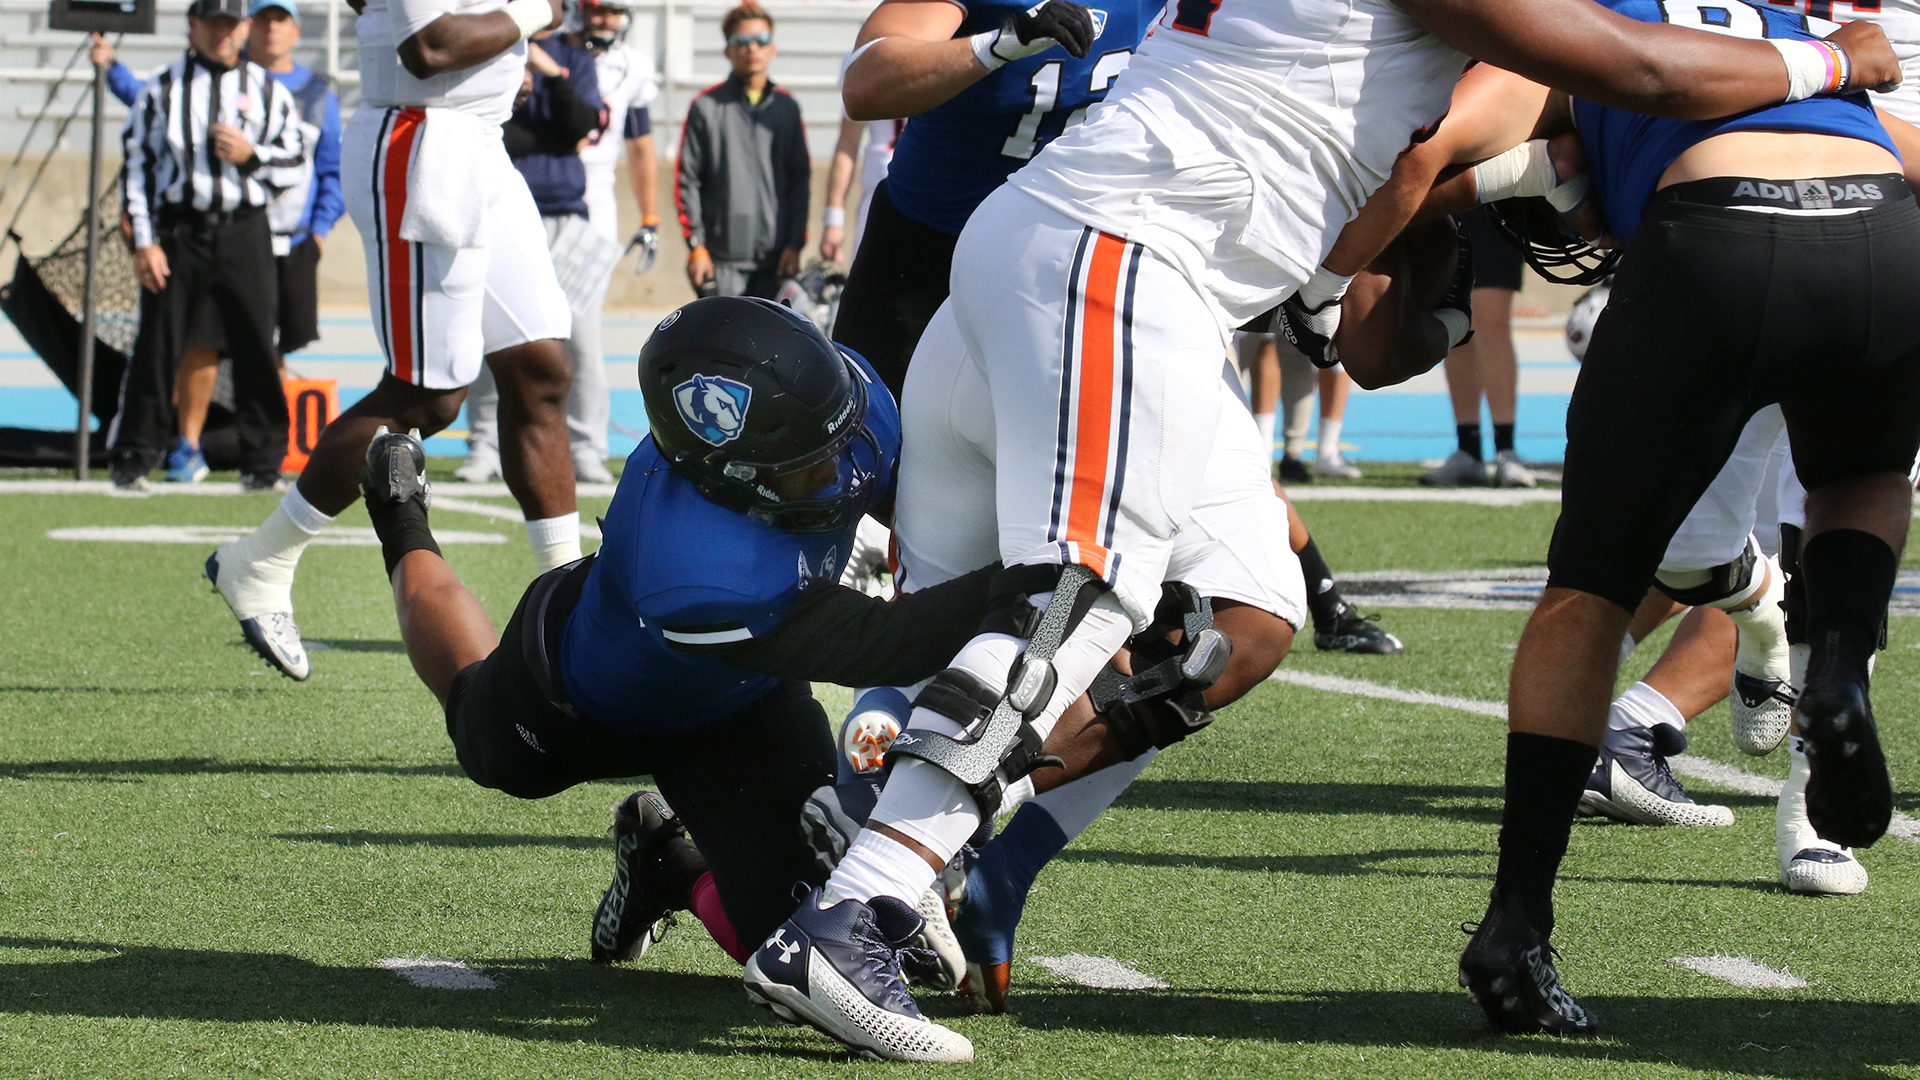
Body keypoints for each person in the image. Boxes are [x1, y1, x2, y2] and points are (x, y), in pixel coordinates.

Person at [737, 0, 1901, 1058]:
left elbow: (1374, 312)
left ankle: (886, 852)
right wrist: (1827, 55)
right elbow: (1632, 64)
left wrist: (1422, 250)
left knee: (1242, 607)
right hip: (1123, 251)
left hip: (1098, 254)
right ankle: (859, 910)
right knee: (1079, 593)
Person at [358, 296, 1019, 982]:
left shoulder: (844, 404)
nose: (844, 471)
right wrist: (1054, 573)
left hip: (744, 700)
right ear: (731, 478)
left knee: (799, 938)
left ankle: (666, 864)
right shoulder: (691, 570)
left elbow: (922, 516)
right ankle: (400, 517)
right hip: (580, 699)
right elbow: (891, 642)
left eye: (841, 441)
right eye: (809, 466)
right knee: (478, 726)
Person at [204, 0, 580, 682]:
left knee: (541, 365)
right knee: (429, 392)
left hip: (480, 141)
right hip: (420, 142)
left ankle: (577, 610)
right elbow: (430, 46)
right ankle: (259, 560)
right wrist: (532, 11)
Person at [95, 2, 344, 486]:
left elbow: (296, 163)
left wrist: (253, 156)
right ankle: (134, 455)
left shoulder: (270, 91)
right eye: (212, 25)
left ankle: (263, 460)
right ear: (193, 26)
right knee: (159, 344)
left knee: (256, 344)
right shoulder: (162, 88)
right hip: (178, 231)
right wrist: (144, 242)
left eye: (230, 26)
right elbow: (137, 169)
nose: (221, 35)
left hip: (244, 229)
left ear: (244, 29)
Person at [456, 34, 606, 486]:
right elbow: (495, 134)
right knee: (490, 334)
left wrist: (552, 76)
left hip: (567, 215)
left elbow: (581, 124)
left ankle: (586, 447)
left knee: (581, 338)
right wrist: (553, 136)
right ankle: (485, 445)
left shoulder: (575, 58)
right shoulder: (484, 41)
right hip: (496, 210)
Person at [675, 4, 808, 299]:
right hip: (721, 261)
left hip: (776, 262)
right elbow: (688, 180)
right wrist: (697, 247)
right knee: (718, 343)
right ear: (727, 50)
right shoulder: (705, 107)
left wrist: (794, 244)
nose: (752, 48)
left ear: (772, 47)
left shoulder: (787, 107)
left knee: (773, 344)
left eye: (761, 40)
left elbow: (800, 180)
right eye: (741, 41)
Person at [1421, 207, 1535, 488]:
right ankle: (1468, 449)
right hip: (1448, 201)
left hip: (1498, 200)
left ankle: (1506, 450)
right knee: (1454, 322)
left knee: (1491, 322)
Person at [819, 47, 903, 264]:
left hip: (938, 190)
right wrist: (833, 219)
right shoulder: (869, 52)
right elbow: (848, 143)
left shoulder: (956, 42)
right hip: (881, 192)